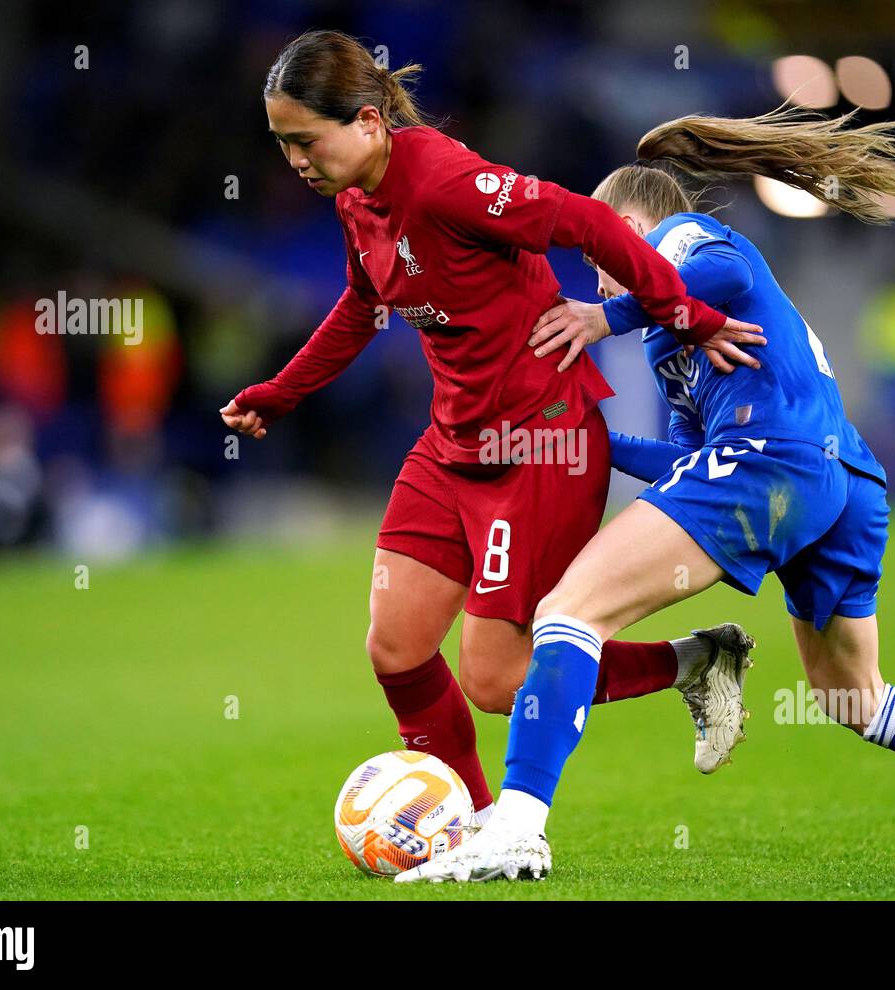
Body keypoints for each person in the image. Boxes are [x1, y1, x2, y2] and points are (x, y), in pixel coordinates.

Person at [398, 107, 895, 882]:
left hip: (770, 463)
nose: (598, 272)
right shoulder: (670, 333)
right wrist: (591, 445)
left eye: (600, 253)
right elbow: (686, 457)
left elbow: (729, 274)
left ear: (630, 222)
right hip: (839, 484)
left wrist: (606, 315)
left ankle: (517, 829)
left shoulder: (677, 241)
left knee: (568, 613)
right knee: (853, 698)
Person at [221, 31, 769, 823]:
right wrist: (279, 392)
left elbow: (589, 222)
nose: (296, 161)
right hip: (453, 446)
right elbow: (360, 305)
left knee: (495, 681)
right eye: (282, 146)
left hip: (541, 443)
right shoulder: (354, 200)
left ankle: (695, 660)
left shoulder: (447, 182)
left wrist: (687, 316)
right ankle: (473, 825)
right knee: (397, 648)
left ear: (369, 122)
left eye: (305, 140)